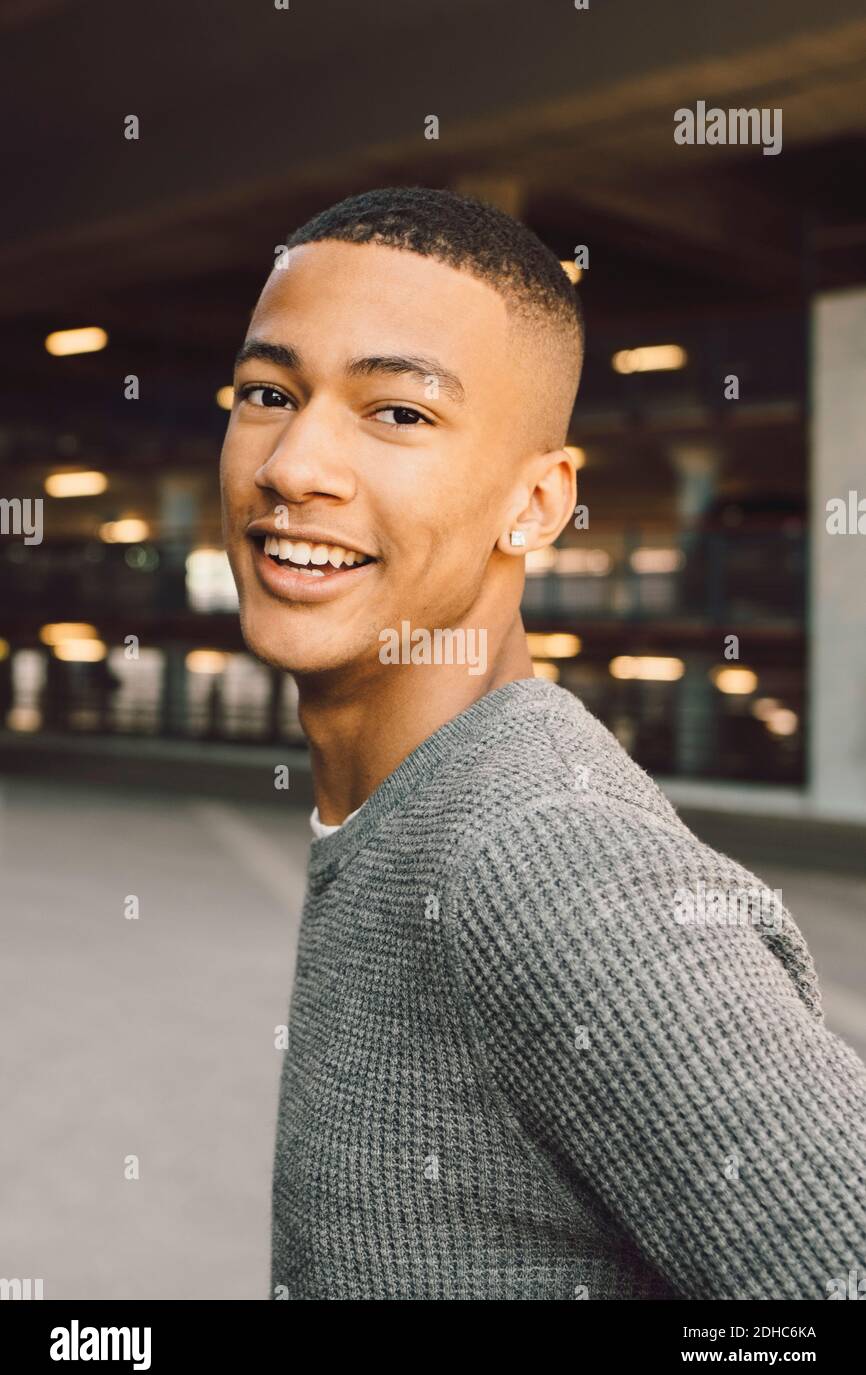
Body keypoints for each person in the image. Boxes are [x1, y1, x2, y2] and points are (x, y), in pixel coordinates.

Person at [220, 186, 866, 1301]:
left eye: (398, 413)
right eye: (269, 393)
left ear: (535, 502)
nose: (292, 464)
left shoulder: (541, 863)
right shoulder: (402, 815)